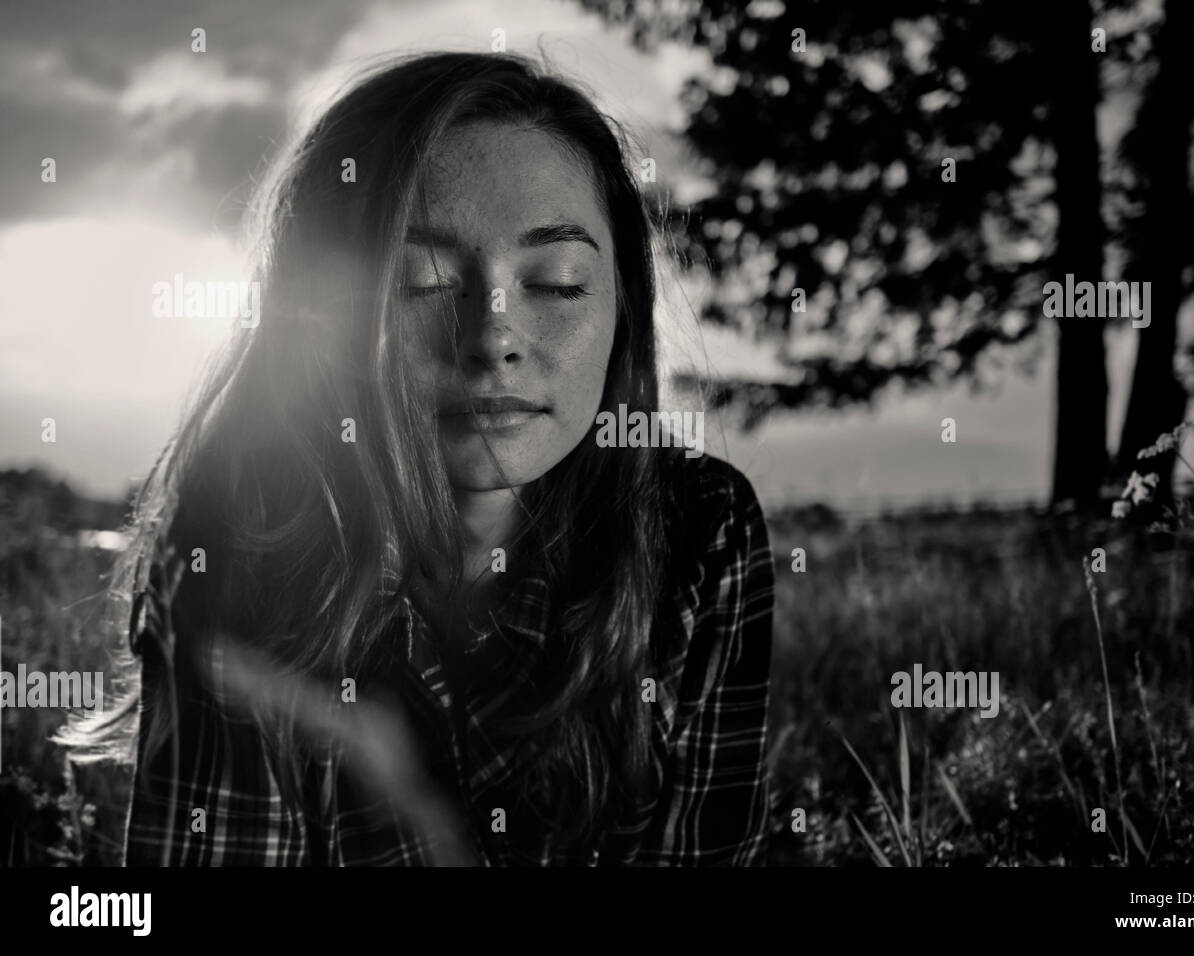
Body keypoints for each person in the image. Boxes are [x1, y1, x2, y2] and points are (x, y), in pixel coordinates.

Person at [67, 51, 774, 866]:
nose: (493, 340)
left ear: (624, 310)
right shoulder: (235, 547)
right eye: (422, 281)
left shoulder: (699, 531)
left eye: (557, 282)